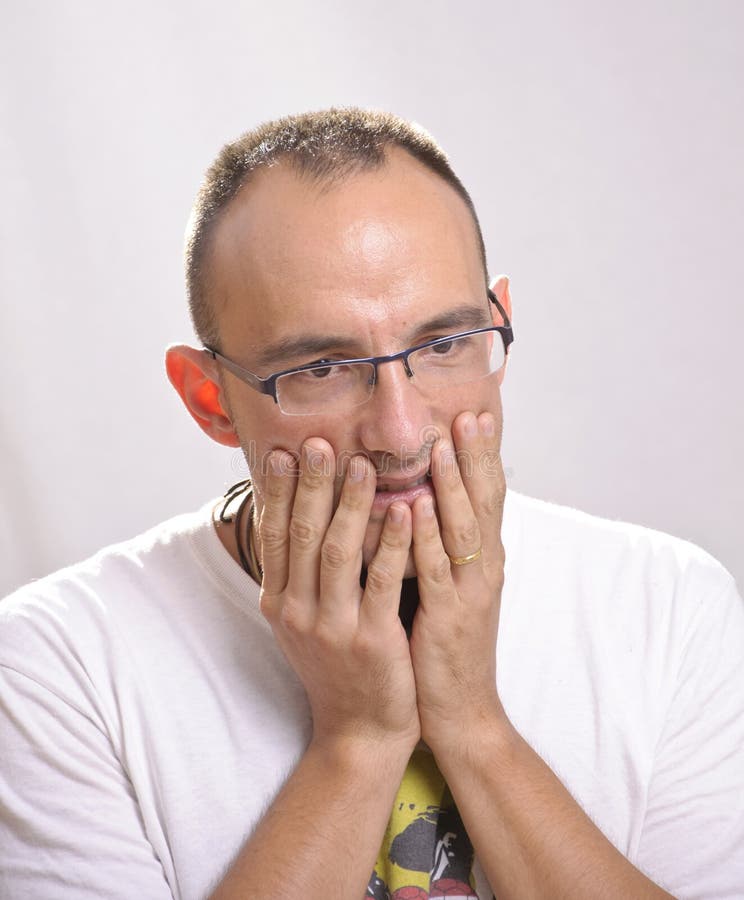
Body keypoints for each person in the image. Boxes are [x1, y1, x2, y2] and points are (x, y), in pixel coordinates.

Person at [1, 108, 742, 900]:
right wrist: (357, 741)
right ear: (209, 398)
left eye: (443, 345)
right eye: (320, 367)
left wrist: (474, 726)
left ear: (500, 326)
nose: (399, 432)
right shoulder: (57, 664)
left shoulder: (668, 605)